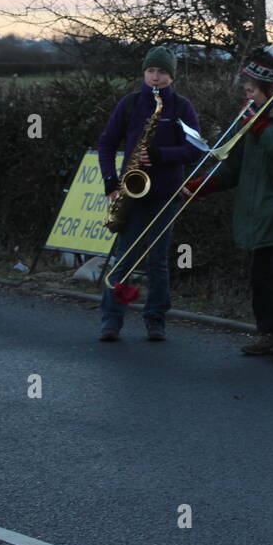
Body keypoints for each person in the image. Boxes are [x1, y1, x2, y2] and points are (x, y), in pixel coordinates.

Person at [183, 45, 273, 360]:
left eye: (250, 90)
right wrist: (203, 184)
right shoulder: (257, 111)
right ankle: (268, 332)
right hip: (261, 208)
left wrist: (262, 126)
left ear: (268, 87)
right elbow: (237, 165)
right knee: (259, 275)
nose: (246, 96)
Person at [94, 46, 202, 343]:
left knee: (157, 260)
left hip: (166, 194)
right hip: (131, 193)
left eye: (162, 72)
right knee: (124, 258)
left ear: (171, 76)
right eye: (151, 71)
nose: (155, 77)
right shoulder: (129, 104)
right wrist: (109, 182)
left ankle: (156, 321)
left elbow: (195, 150)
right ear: (144, 72)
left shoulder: (182, 107)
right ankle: (111, 321)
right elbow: (106, 144)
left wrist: (159, 154)